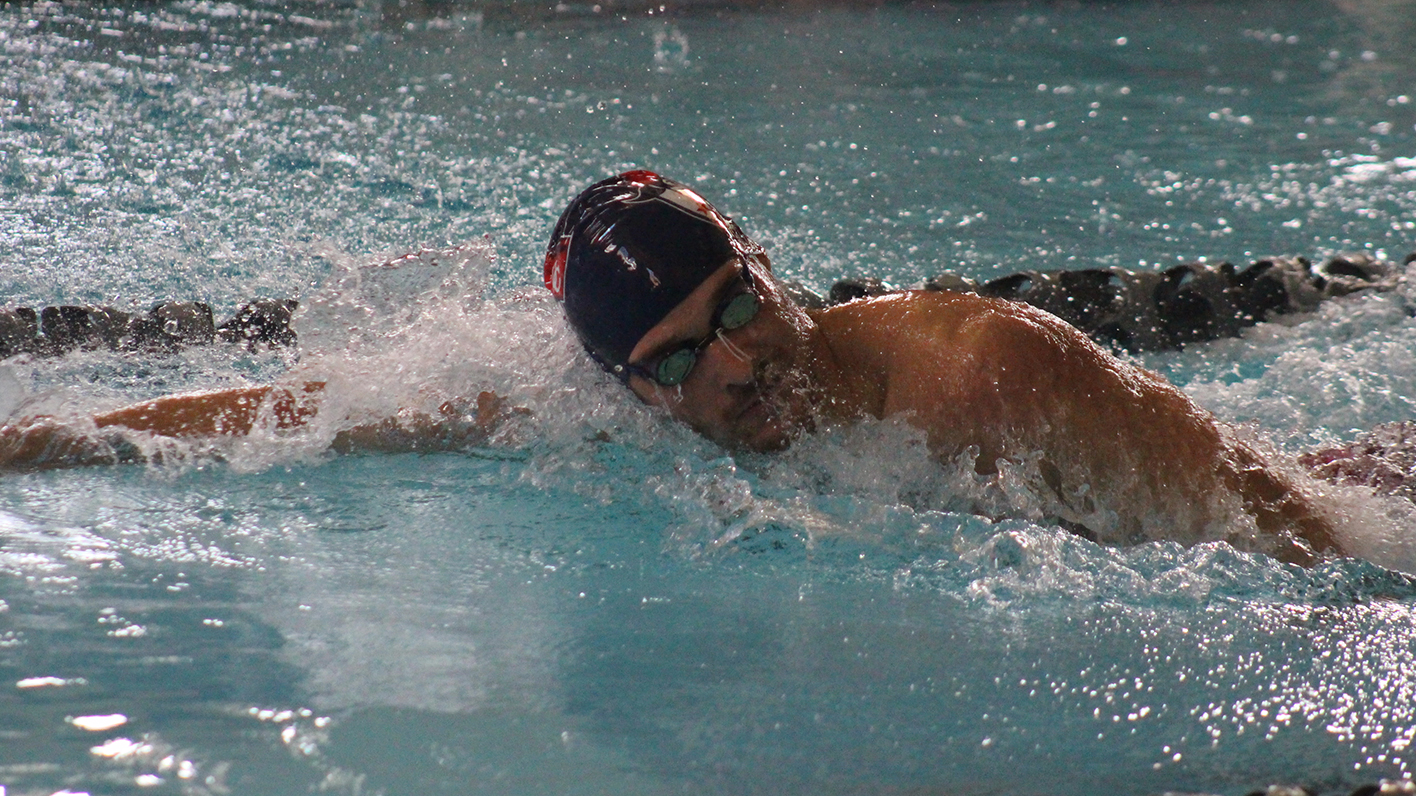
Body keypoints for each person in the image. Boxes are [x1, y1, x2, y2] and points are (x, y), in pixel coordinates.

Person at [0, 170, 1397, 564]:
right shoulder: (591, 406)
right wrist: (54, 433)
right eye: (678, 364)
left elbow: (1284, 535)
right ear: (630, 391)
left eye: (737, 312)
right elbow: (310, 413)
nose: (734, 370)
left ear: (771, 273)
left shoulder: (987, 371)